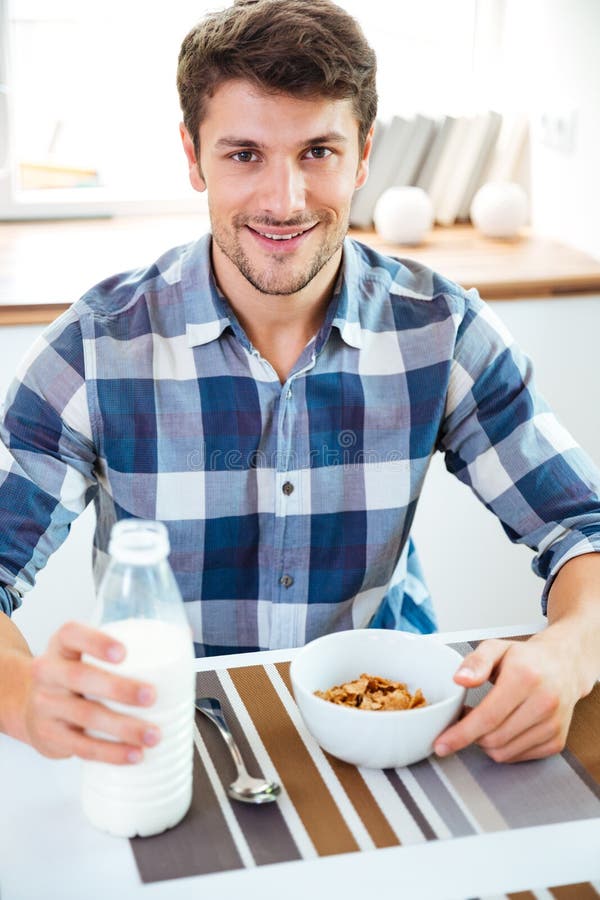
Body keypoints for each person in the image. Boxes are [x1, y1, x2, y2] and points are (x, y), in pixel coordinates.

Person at [1, 0, 599, 771]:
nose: (283, 201)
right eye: (244, 154)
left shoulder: (442, 330)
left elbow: (584, 527)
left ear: (362, 155)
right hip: (168, 733)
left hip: (392, 722)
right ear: (193, 157)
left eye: (317, 151)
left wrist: (573, 647)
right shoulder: (93, 346)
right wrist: (19, 693)